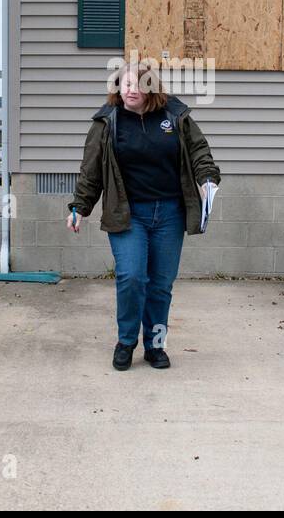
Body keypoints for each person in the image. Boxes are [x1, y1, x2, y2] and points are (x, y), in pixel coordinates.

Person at [67, 60, 220, 371]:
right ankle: (126, 341)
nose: (130, 89)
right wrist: (80, 206)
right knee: (132, 277)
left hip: (169, 213)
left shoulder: (175, 116)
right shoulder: (107, 123)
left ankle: (156, 345)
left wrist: (207, 180)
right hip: (128, 213)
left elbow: (199, 152)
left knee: (161, 284)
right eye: (124, 84)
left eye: (137, 84)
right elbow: (91, 170)